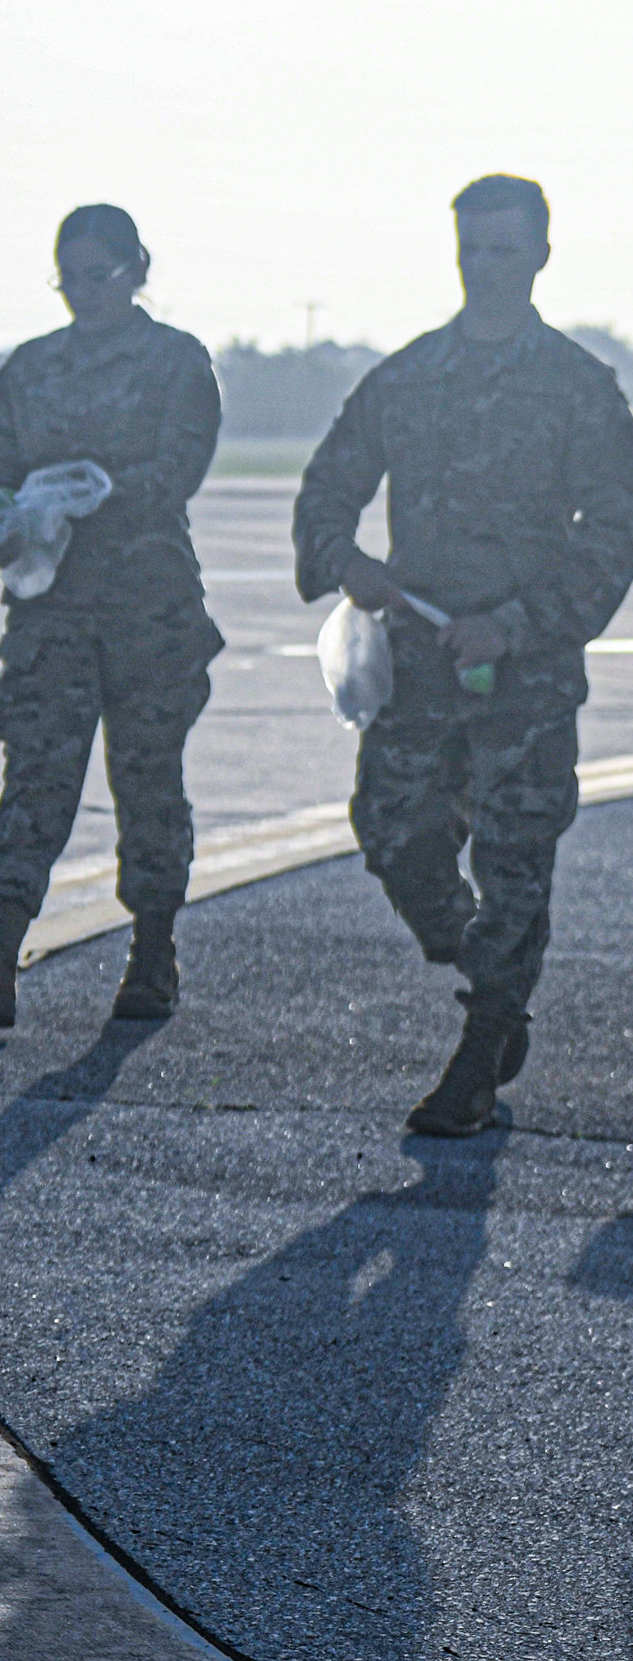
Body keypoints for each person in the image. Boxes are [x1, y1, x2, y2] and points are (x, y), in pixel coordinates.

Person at [295, 174, 633, 1136]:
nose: (484, 266)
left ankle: (483, 1045)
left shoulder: (579, 389)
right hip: (417, 664)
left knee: (518, 857)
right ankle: (475, 955)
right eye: (469, 248)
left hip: (524, 673)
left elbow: (613, 535)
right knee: (392, 831)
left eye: (503, 249)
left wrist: (519, 624)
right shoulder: (408, 378)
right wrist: (344, 560)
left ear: (540, 255)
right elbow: (328, 485)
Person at [0, 207, 225, 1029]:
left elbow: (180, 468)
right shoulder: (31, 368)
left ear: (137, 270)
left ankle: (153, 953)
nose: (85, 291)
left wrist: (99, 491)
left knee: (148, 780)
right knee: (36, 779)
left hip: (149, 609)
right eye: (71, 276)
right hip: (50, 611)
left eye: (102, 274)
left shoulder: (175, 361)